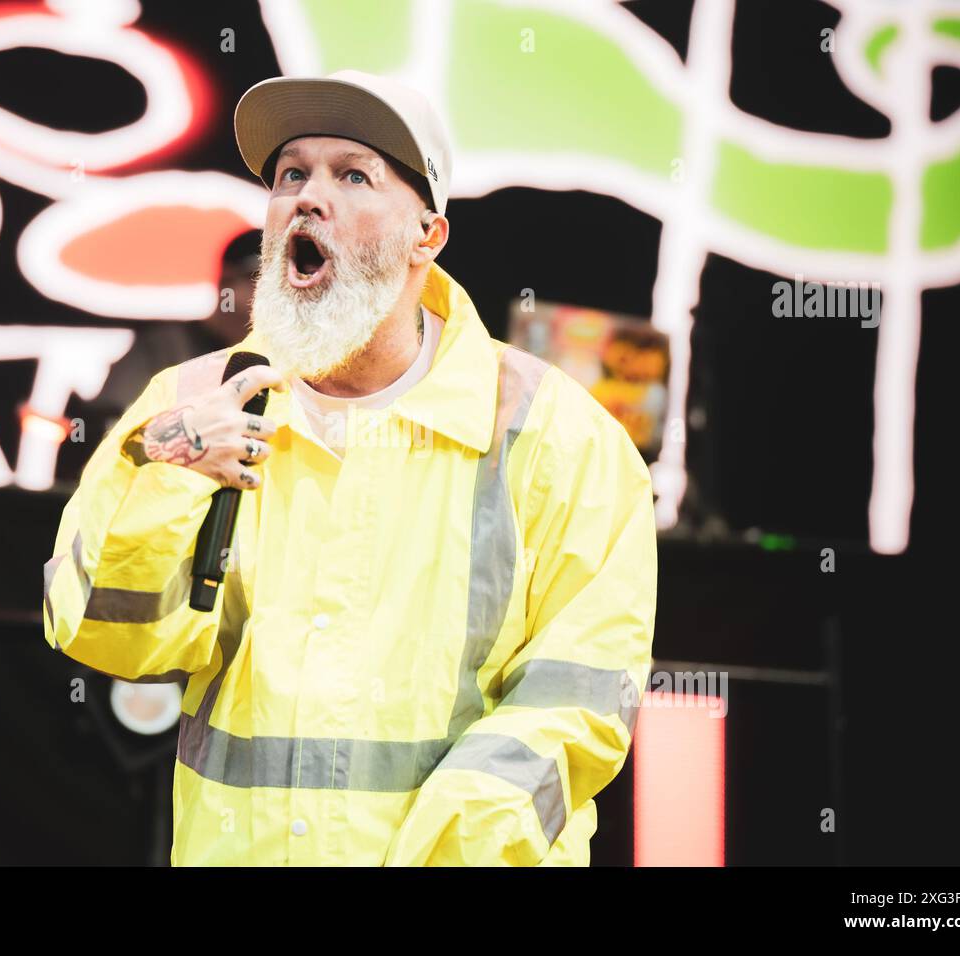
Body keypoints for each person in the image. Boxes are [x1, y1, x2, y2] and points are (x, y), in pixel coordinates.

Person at [42, 69, 658, 866]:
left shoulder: (557, 433)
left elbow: (577, 705)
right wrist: (176, 473)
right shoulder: (190, 404)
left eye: (353, 175)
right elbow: (103, 637)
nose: (307, 196)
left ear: (426, 238)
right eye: (291, 173)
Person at [85, 230, 262, 443]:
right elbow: (110, 423)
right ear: (227, 282)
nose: (269, 295)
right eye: (258, 280)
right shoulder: (164, 345)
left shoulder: (283, 356)